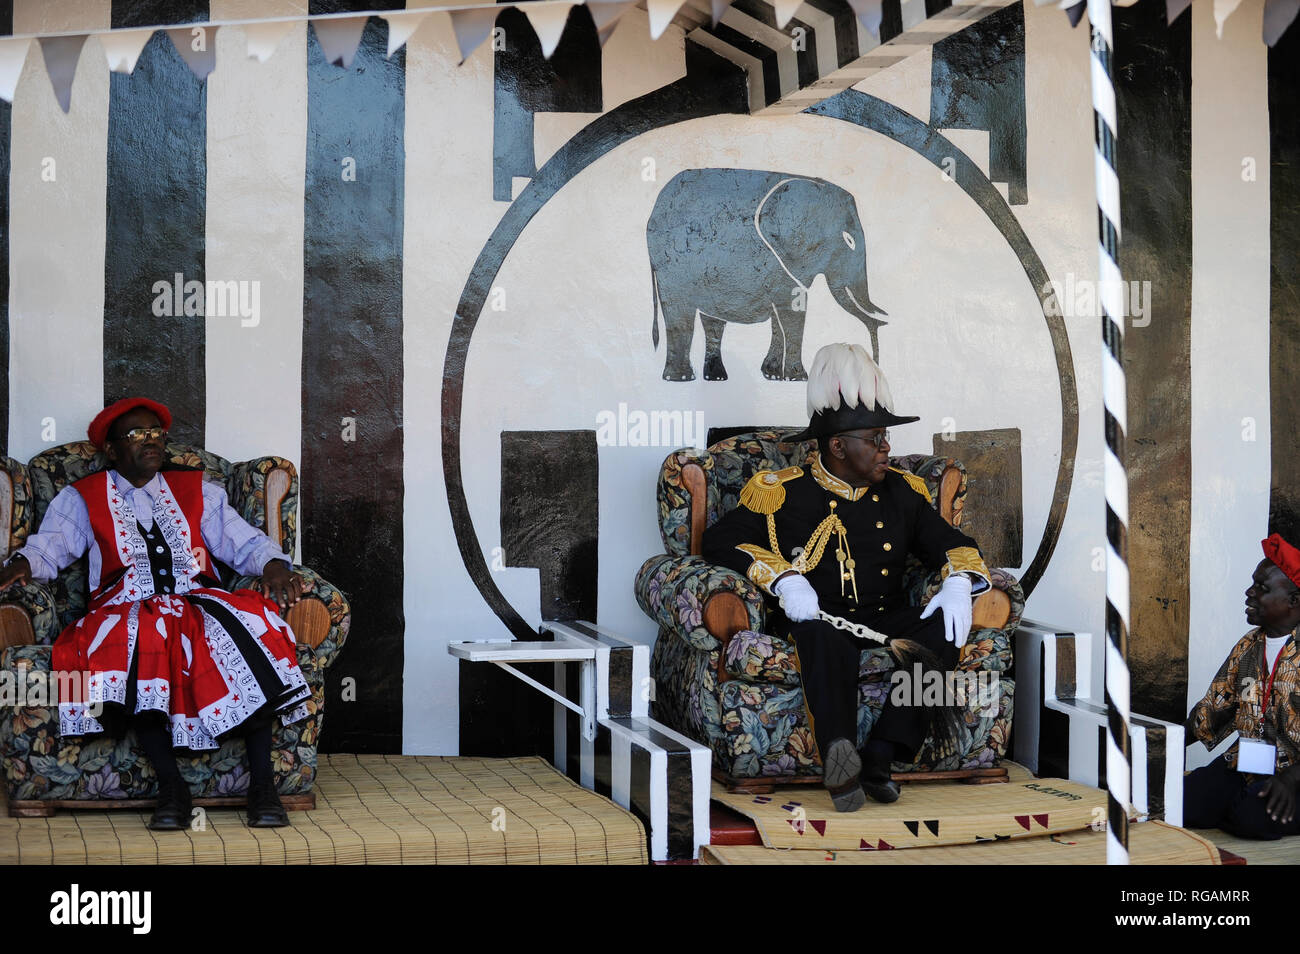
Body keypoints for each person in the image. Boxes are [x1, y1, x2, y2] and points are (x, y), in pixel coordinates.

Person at [0, 397, 310, 830]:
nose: (151, 441)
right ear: (111, 450)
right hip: (127, 606)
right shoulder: (82, 497)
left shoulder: (198, 490)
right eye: (137, 434)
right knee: (133, 650)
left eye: (157, 433)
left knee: (244, 643)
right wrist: (20, 565)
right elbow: (50, 546)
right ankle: (173, 789)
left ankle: (263, 788)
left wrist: (274, 565)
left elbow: (242, 542)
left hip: (195, 601)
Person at [703, 343, 990, 811]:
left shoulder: (903, 492)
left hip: (883, 618)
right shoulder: (782, 493)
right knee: (821, 637)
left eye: (885, 437)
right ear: (837, 445)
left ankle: (881, 754)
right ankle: (840, 759)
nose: (886, 448)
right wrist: (782, 580)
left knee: (942, 628)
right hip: (818, 619)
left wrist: (959, 583)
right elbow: (719, 541)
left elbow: (953, 543)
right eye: (875, 438)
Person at [1184, 533, 1300, 839]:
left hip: (1294, 776)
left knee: (1252, 819)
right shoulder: (1249, 645)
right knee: (1186, 804)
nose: (1249, 593)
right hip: (1249, 761)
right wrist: (1159, 743)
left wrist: (1290, 781)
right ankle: (1238, 806)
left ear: (1293, 601)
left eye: (1261, 588)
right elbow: (1214, 708)